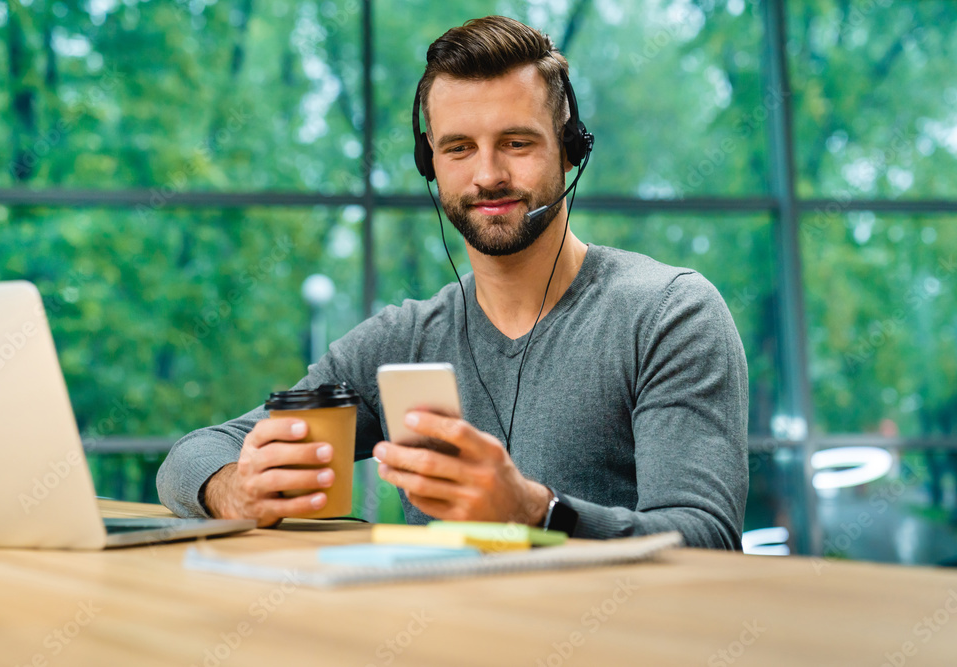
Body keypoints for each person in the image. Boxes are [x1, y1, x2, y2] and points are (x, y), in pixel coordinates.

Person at [157, 16, 749, 549]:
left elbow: (706, 540)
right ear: (430, 163)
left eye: (517, 143)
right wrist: (232, 490)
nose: (488, 174)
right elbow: (190, 457)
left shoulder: (670, 313)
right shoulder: (403, 341)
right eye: (458, 148)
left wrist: (535, 513)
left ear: (569, 151)